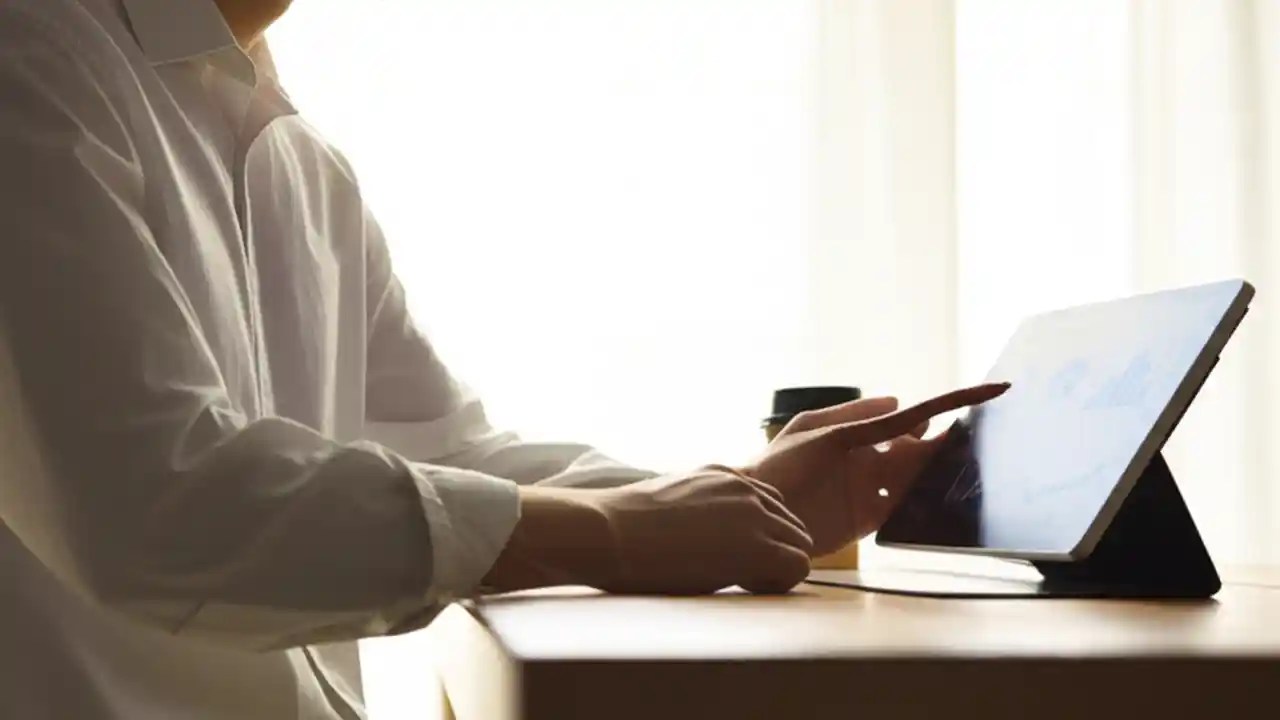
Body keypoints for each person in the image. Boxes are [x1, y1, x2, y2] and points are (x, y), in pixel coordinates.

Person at [0, 0, 1007, 717]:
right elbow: (153, 506)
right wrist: (610, 532)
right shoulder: (34, 56)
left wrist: (733, 498)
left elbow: (452, 451)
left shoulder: (298, 157)